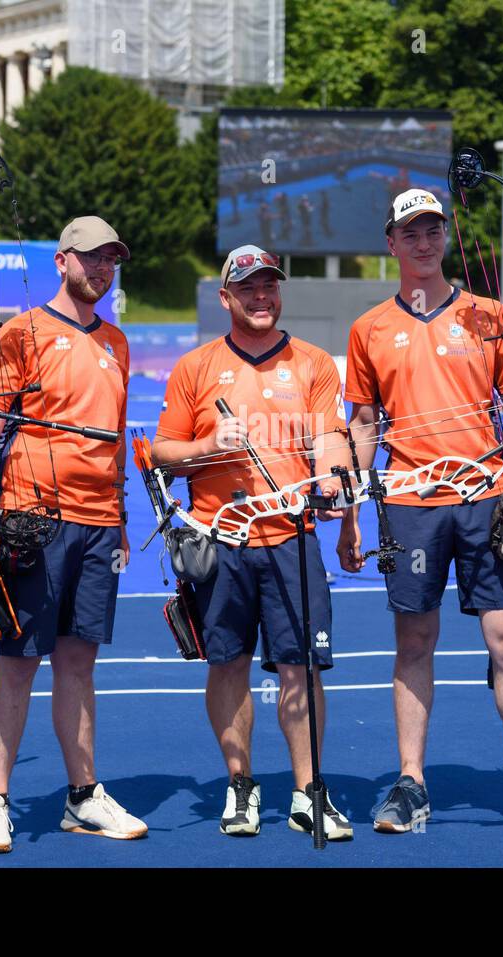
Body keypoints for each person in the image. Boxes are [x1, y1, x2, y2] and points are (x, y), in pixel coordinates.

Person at [337, 189, 503, 839]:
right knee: (414, 640)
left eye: (432, 230)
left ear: (445, 237)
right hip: (410, 502)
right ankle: (411, 782)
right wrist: (354, 506)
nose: (423, 242)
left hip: (487, 498)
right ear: (390, 243)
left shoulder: (488, 314)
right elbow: (363, 421)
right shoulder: (369, 329)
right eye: (409, 232)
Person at [0, 216, 146, 852]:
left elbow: (115, 441)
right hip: (32, 517)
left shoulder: (116, 342)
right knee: (17, 662)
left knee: (79, 663)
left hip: (96, 524)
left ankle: (83, 797)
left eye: (111, 260)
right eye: (92, 258)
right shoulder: (23, 331)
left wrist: (118, 519)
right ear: (62, 261)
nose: (102, 270)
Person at [151, 245, 354, 841]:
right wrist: (209, 444)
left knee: (302, 666)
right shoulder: (195, 368)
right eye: (248, 288)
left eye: (269, 286)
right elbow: (162, 454)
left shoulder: (315, 362)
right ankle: (240, 785)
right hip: (221, 542)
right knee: (228, 664)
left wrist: (339, 481)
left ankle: (307, 790)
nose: (261, 297)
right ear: (226, 299)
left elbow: (332, 439)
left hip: (293, 537)